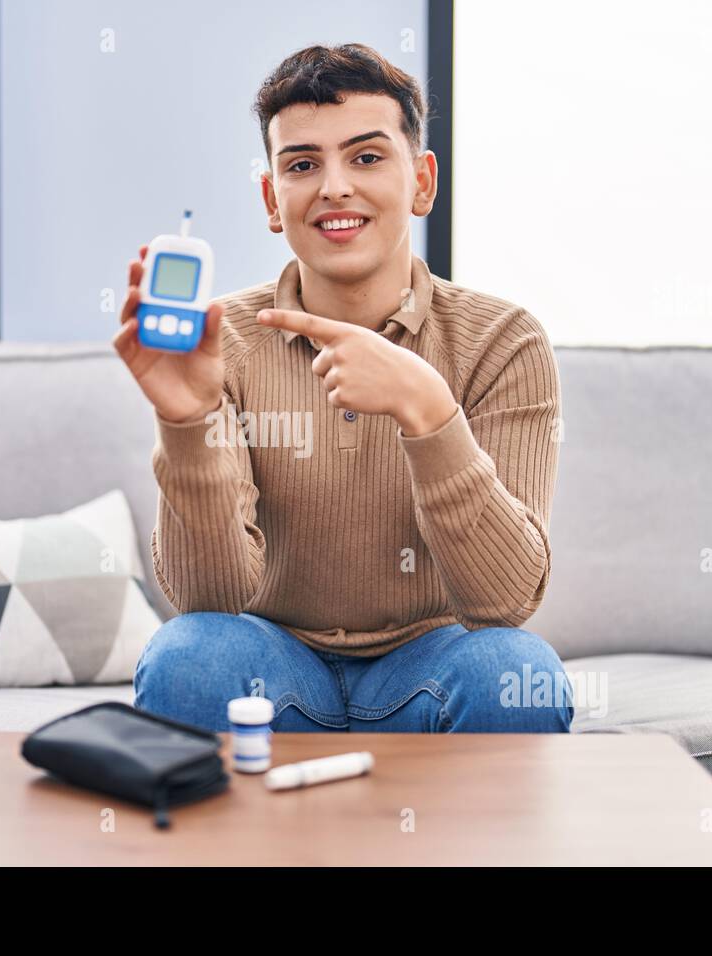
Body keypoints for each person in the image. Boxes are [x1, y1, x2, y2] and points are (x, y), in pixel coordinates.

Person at [113, 43, 573, 734]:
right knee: (189, 658)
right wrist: (189, 421)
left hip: (428, 666)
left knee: (519, 674)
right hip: (276, 667)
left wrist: (429, 412)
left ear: (421, 182)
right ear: (273, 198)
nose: (333, 187)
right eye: (302, 165)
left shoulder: (504, 342)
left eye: (366, 157)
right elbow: (208, 599)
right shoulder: (226, 340)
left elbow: (504, 602)